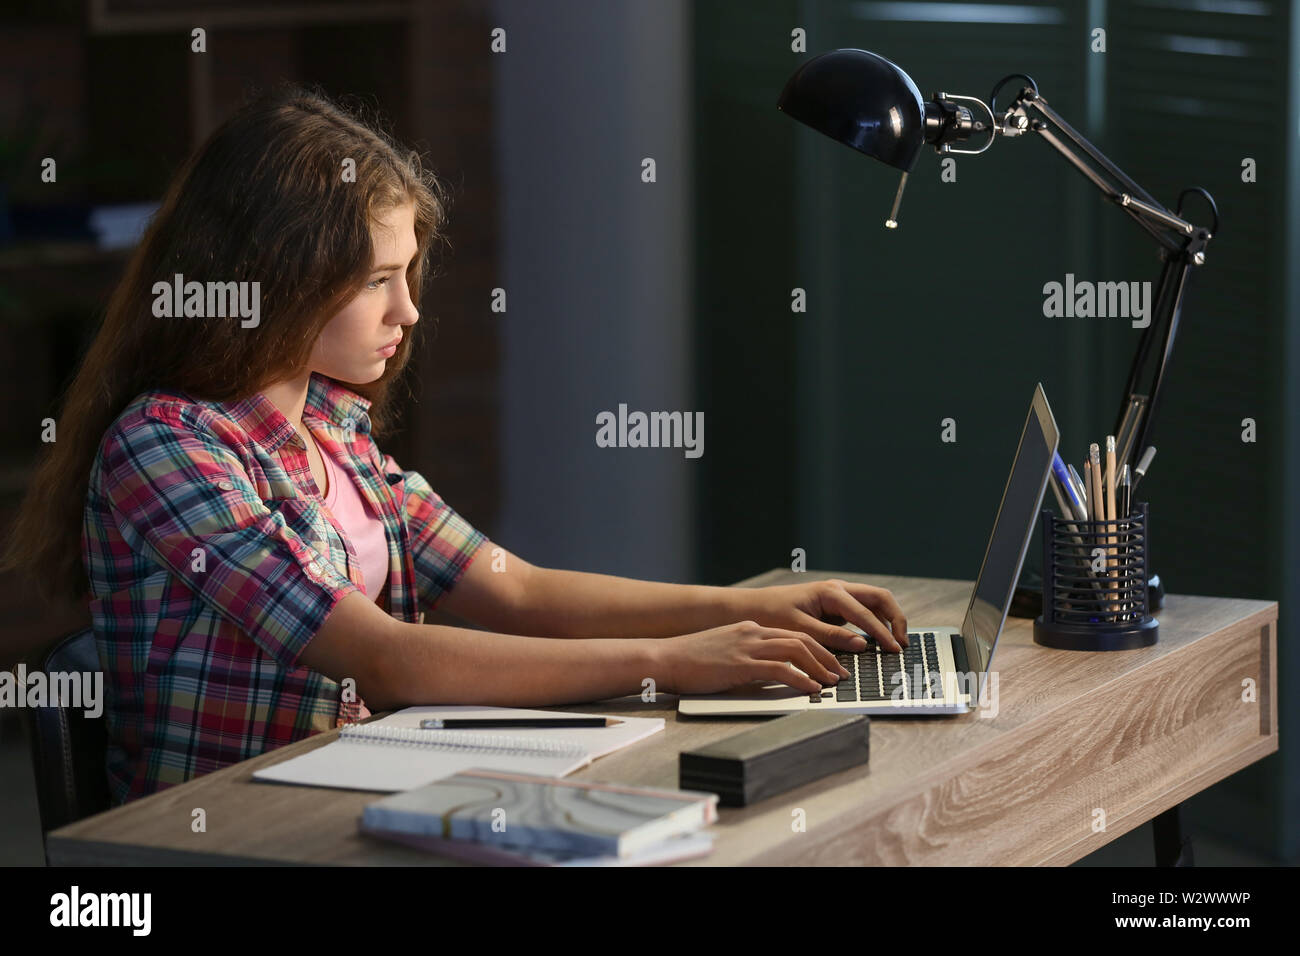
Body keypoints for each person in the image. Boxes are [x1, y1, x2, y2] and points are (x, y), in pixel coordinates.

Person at [1, 85, 908, 805]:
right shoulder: (163, 447)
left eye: (408, 275)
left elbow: (518, 589)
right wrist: (672, 660)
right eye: (378, 281)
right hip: (231, 831)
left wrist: (755, 610)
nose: (410, 311)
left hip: (345, 798)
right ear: (276, 275)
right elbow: (387, 656)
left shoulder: (335, 431)